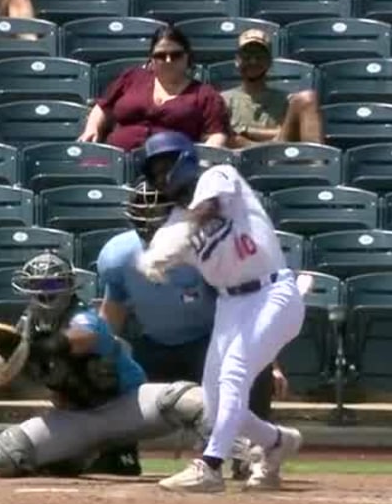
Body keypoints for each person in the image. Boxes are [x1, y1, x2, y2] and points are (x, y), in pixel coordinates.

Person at [138, 130, 305, 493]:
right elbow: (170, 240)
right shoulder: (174, 223)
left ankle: (210, 467)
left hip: (272, 292)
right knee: (214, 404)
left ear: (184, 160)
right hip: (231, 304)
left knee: (235, 374)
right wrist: (156, 256)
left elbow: (207, 209)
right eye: (156, 171)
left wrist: (177, 237)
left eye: (167, 165)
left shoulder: (218, 176)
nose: (163, 176)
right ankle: (276, 442)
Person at [96, 174, 292, 479]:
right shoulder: (117, 255)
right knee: (104, 367)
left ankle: (253, 453)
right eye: (143, 218)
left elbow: (244, 302)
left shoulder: (205, 247)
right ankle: (116, 453)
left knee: (249, 371)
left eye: (158, 217)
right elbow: (113, 311)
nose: (151, 226)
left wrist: (273, 362)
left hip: (208, 339)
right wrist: (102, 355)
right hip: (154, 344)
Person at [0, 252, 211, 479]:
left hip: (128, 407)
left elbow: (85, 337)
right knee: (3, 456)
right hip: (76, 418)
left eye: (53, 282)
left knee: (189, 399)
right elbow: (17, 378)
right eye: (39, 284)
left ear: (69, 285)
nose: (46, 290)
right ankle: (83, 455)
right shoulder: (25, 329)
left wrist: (48, 346)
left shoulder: (83, 316)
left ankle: (233, 452)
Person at [78, 24, 233, 151]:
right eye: (160, 55)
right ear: (151, 59)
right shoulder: (132, 77)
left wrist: (201, 162)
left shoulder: (205, 94)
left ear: (188, 57)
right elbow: (103, 106)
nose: (168, 60)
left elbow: (217, 134)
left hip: (171, 168)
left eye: (176, 55)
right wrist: (92, 128)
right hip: (117, 159)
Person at [221, 29, 325, 148]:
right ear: (237, 60)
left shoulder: (287, 101)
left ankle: (318, 163)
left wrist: (246, 131)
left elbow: (290, 135)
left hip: (279, 158)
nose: (253, 61)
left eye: (259, 56)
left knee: (308, 98)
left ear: (269, 61)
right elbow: (225, 138)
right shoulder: (223, 100)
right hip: (239, 162)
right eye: (247, 56)